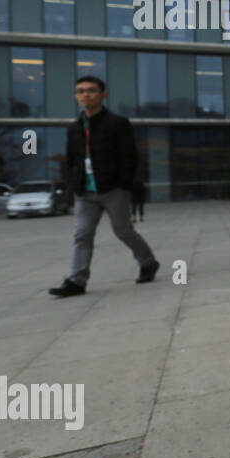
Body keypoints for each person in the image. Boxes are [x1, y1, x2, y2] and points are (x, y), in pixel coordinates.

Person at [48, 76, 160, 298]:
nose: (85, 95)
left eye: (91, 90)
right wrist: (73, 185)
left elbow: (129, 157)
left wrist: (122, 184)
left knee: (123, 231)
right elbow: (72, 159)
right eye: (80, 91)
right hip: (85, 192)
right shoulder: (74, 128)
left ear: (103, 95)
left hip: (112, 190)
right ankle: (77, 281)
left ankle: (148, 262)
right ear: (76, 96)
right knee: (82, 234)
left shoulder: (117, 123)